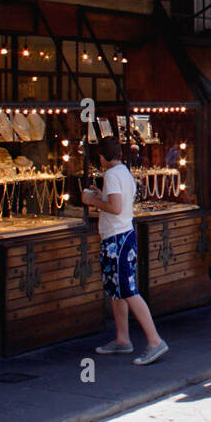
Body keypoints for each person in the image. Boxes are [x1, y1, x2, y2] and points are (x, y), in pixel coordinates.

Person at [88, 135, 169, 365]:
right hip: (123, 235)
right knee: (118, 290)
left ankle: (155, 341)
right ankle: (123, 338)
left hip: (117, 238)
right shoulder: (123, 171)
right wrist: (99, 196)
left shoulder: (112, 175)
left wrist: (92, 201)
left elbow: (115, 207)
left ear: (102, 157)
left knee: (128, 289)